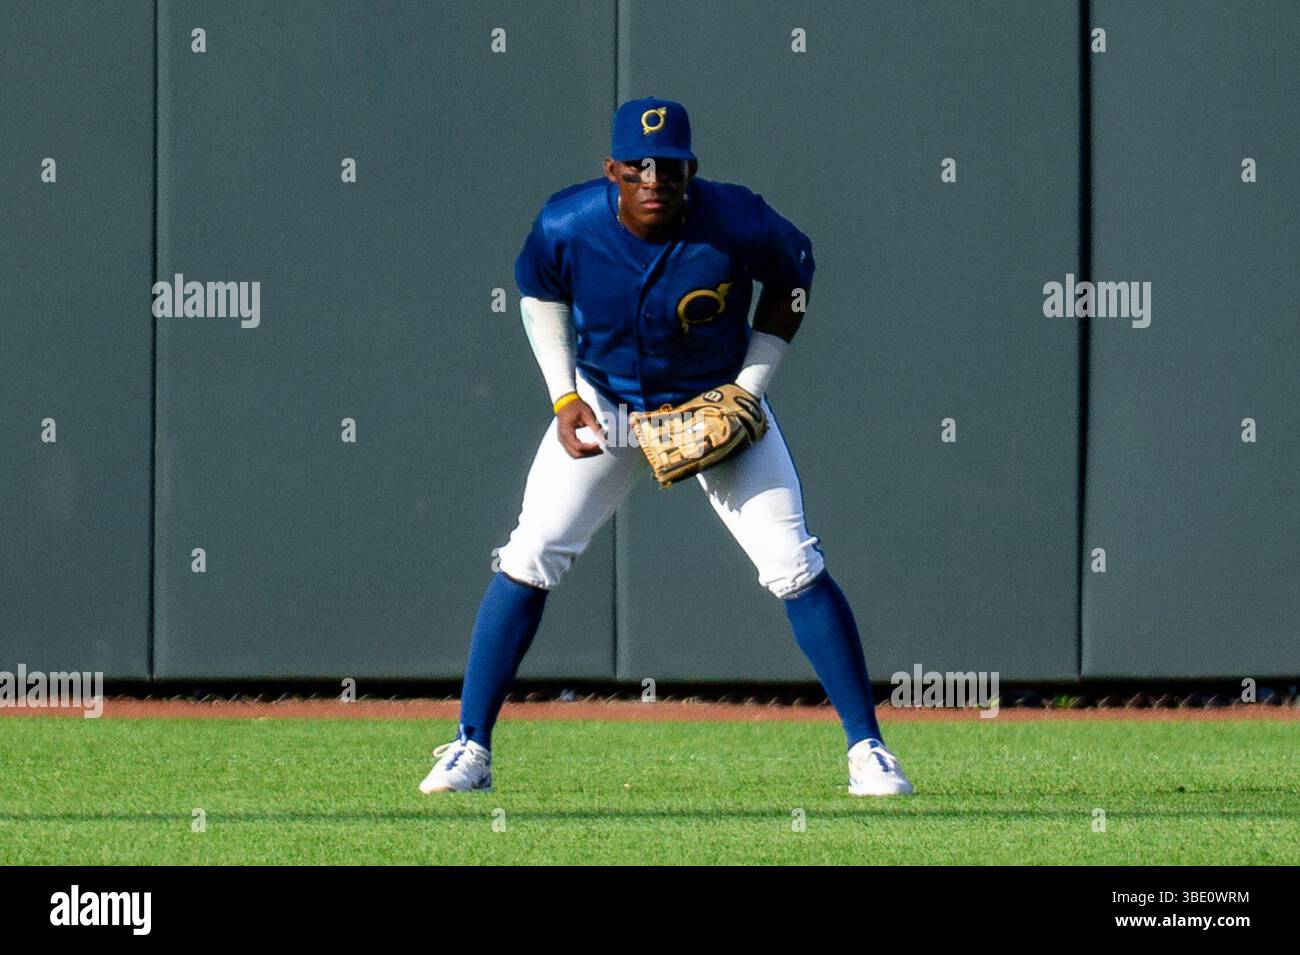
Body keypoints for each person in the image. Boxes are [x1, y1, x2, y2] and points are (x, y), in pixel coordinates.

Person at [420, 97, 913, 798]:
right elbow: (538, 295)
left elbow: (793, 277)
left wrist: (748, 387)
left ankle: (868, 749)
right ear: (612, 170)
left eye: (670, 168)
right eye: (638, 166)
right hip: (605, 401)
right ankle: (471, 746)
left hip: (714, 403)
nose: (654, 179)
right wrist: (564, 397)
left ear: (691, 172)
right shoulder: (568, 222)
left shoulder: (737, 220)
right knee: (530, 553)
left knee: (792, 562)